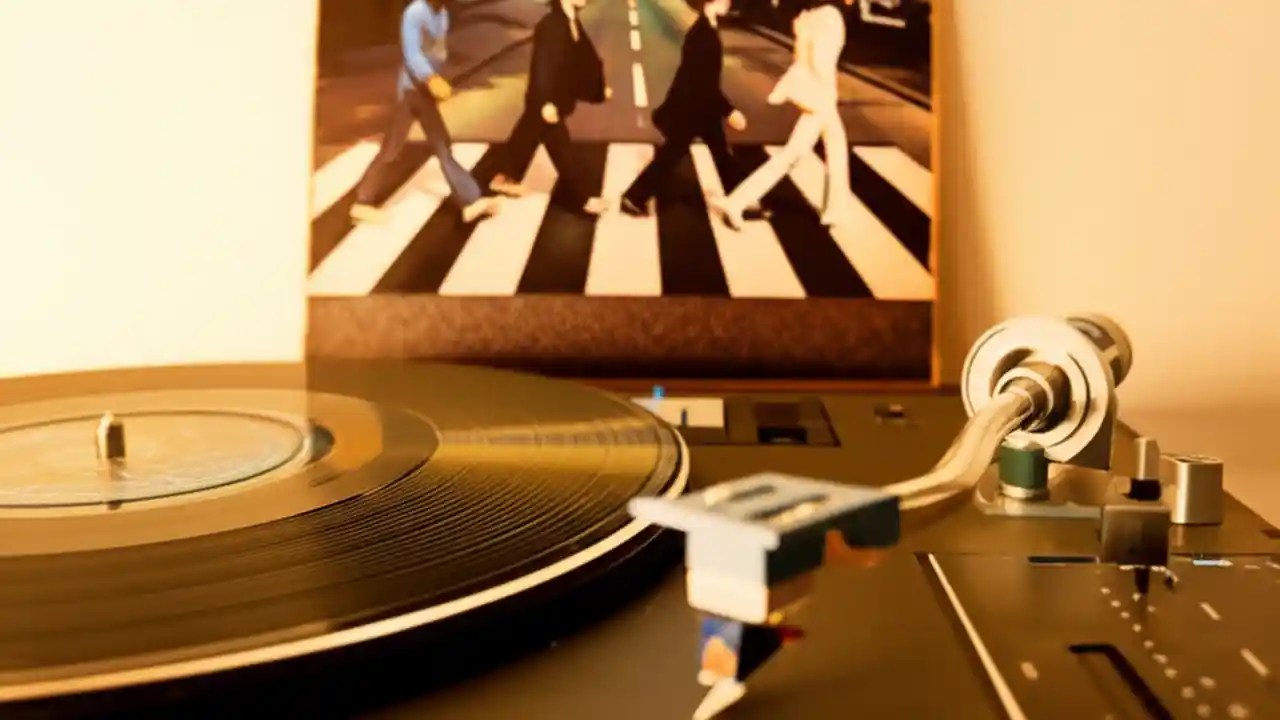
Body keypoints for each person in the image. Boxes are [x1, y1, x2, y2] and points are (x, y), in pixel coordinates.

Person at [709, 0, 855, 229]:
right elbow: (820, 64)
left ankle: (835, 211)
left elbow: (803, 56)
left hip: (818, 96)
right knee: (793, 154)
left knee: (836, 147)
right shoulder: (830, 18)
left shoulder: (812, 15)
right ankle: (737, 202)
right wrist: (826, 98)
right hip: (820, 98)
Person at [350, 0, 499, 225]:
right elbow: (412, 55)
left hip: (425, 94)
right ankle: (362, 202)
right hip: (410, 92)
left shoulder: (443, 15)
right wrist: (431, 79)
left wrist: (441, 80)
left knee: (440, 147)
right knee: (395, 149)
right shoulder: (414, 13)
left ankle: (470, 201)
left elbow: (438, 52)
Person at [617, 0, 764, 219]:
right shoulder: (702, 36)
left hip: (700, 107)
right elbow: (703, 84)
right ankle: (634, 196)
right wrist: (730, 111)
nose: (728, 2)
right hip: (692, 109)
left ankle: (740, 200)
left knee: (719, 154)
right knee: (671, 155)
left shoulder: (707, 29)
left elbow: (701, 82)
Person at [487, 0, 611, 215]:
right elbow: (542, 67)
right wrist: (545, 103)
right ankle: (585, 198)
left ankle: (503, 177)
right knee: (563, 150)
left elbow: (584, 60)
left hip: (550, 100)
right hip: (546, 101)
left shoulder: (571, 22)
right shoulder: (552, 26)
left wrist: (598, 91)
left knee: (525, 138)